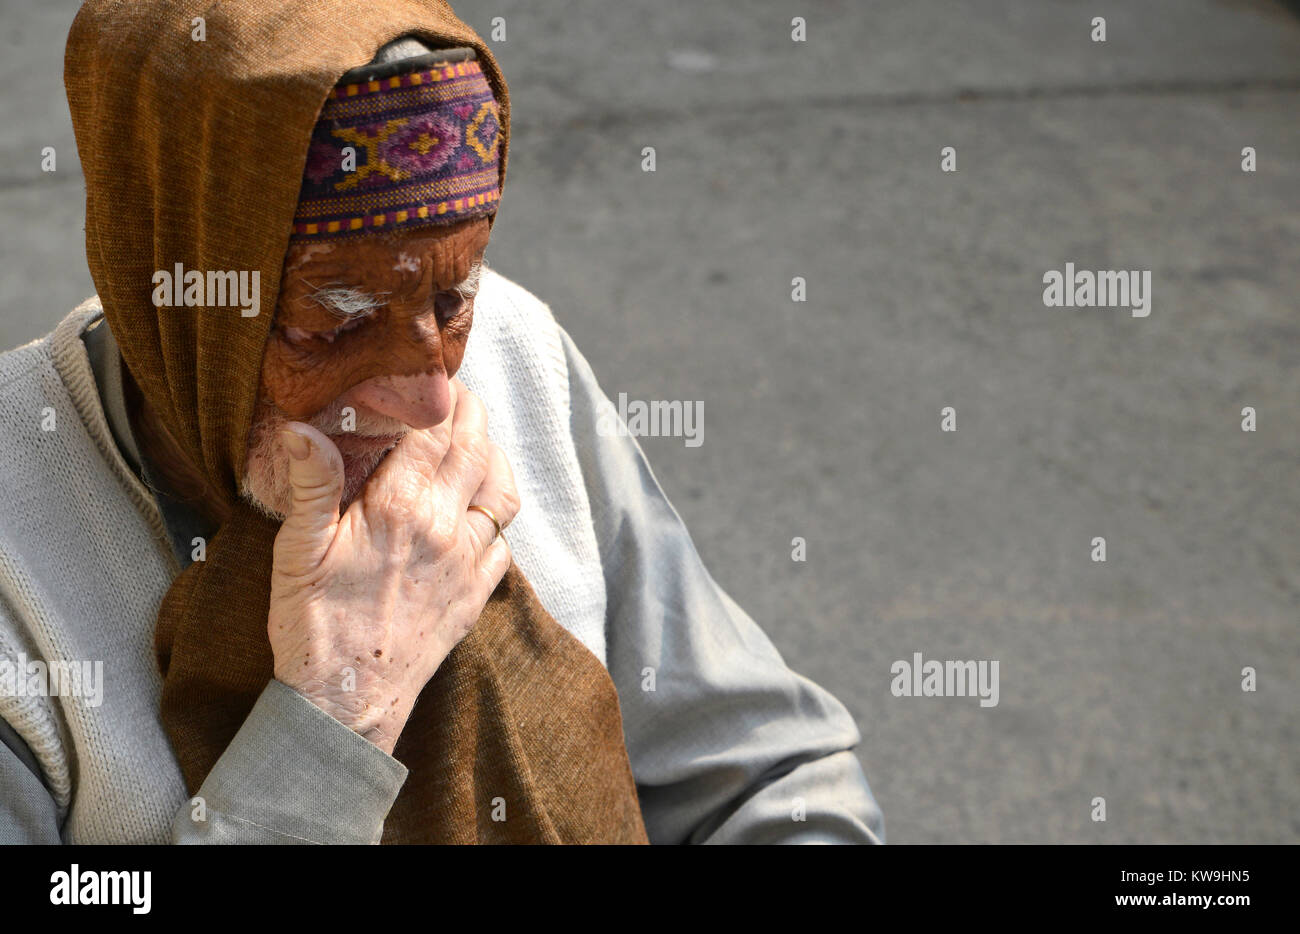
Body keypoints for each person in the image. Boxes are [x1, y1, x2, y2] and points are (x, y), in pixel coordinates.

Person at [0, 0, 884, 844]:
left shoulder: (513, 347)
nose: (429, 401)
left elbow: (770, 776)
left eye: (452, 297)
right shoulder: (20, 565)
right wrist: (338, 711)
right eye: (337, 324)